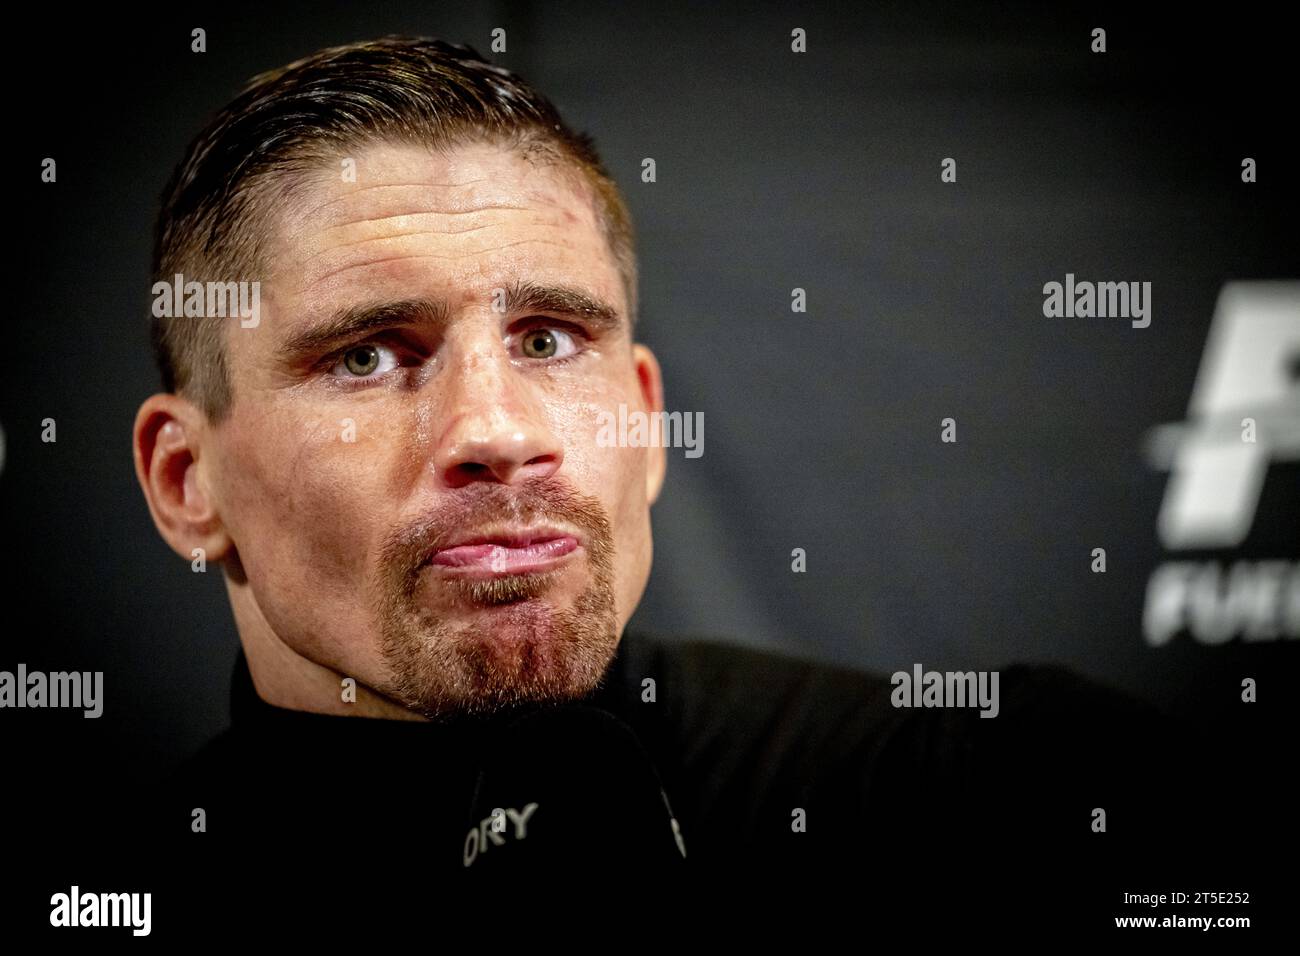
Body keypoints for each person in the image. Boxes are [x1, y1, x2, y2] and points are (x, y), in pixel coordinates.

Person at [123, 36, 1263, 923]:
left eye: (549, 339)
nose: (496, 429)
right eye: (367, 356)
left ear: (650, 418)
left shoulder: (1004, 798)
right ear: (189, 483)